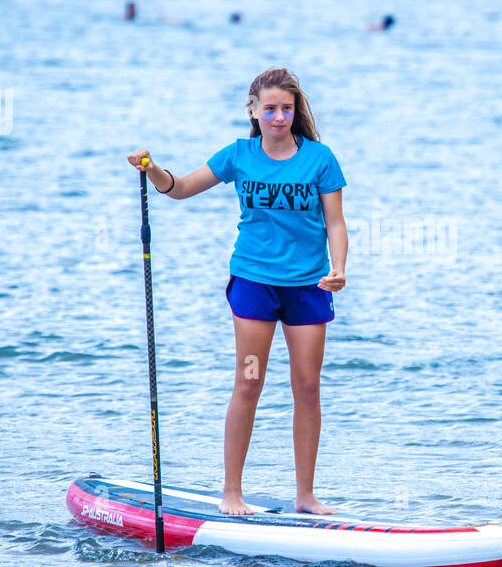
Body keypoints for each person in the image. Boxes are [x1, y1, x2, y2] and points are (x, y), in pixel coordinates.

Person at [127, 68, 348, 515]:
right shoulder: (239, 154)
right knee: (248, 382)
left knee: (307, 387)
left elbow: (336, 222)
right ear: (254, 111)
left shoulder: (321, 159)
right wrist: (152, 172)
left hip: (307, 285)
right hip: (253, 283)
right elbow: (182, 188)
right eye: (270, 109)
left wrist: (339, 267)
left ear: (295, 111)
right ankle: (232, 493)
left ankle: (305, 496)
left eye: (286, 109)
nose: (279, 117)